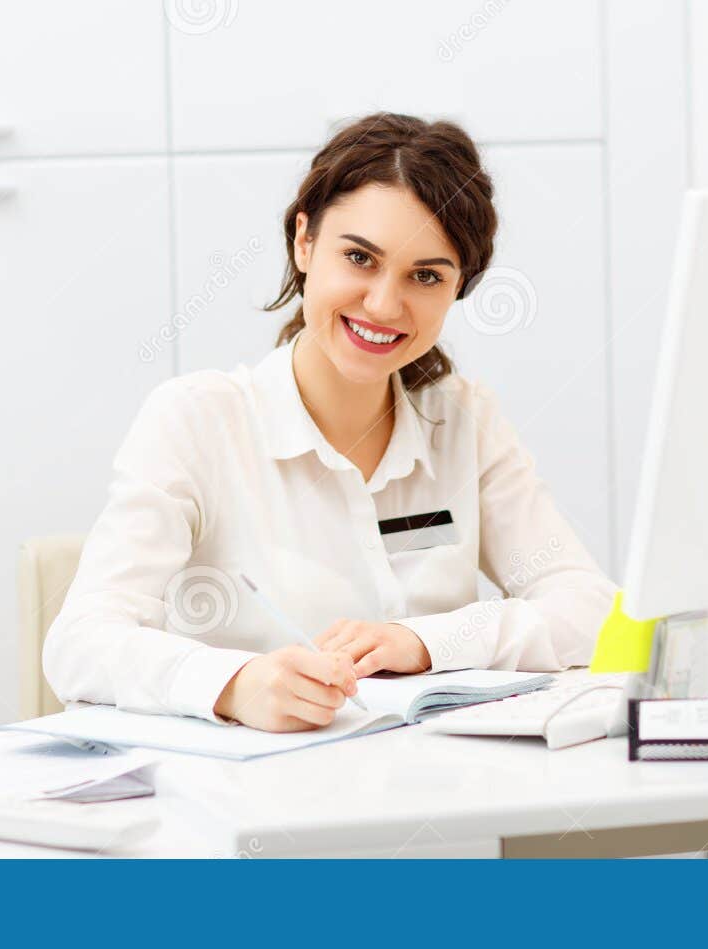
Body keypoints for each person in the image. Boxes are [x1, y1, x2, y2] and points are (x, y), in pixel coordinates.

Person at [44, 112, 617, 732]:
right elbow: (81, 640)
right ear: (304, 243)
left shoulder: (463, 419)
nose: (384, 305)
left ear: (458, 288)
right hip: (246, 802)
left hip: (431, 795)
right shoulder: (197, 420)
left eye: (425, 275)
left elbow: (592, 609)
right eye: (359, 258)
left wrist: (424, 642)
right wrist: (233, 685)